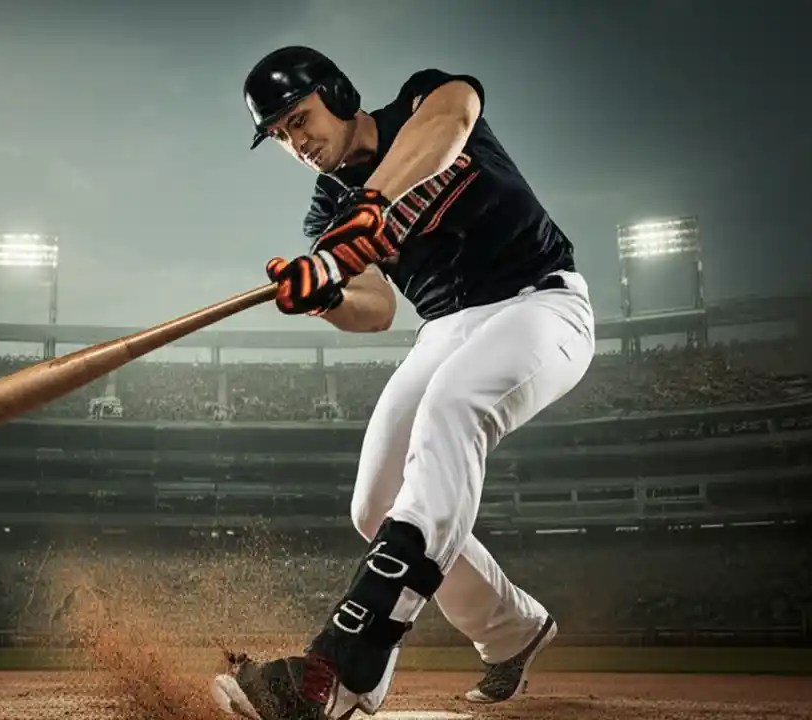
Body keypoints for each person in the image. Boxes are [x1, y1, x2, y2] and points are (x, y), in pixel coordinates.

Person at [210, 47, 596, 719]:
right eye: (279, 134)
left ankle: (347, 671)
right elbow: (377, 310)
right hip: (446, 326)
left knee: (452, 408)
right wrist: (324, 292)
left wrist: (373, 207)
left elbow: (455, 116)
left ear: (335, 93)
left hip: (540, 301)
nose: (296, 142)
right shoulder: (328, 210)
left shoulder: (421, 104)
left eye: (299, 119)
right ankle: (510, 628)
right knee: (375, 507)